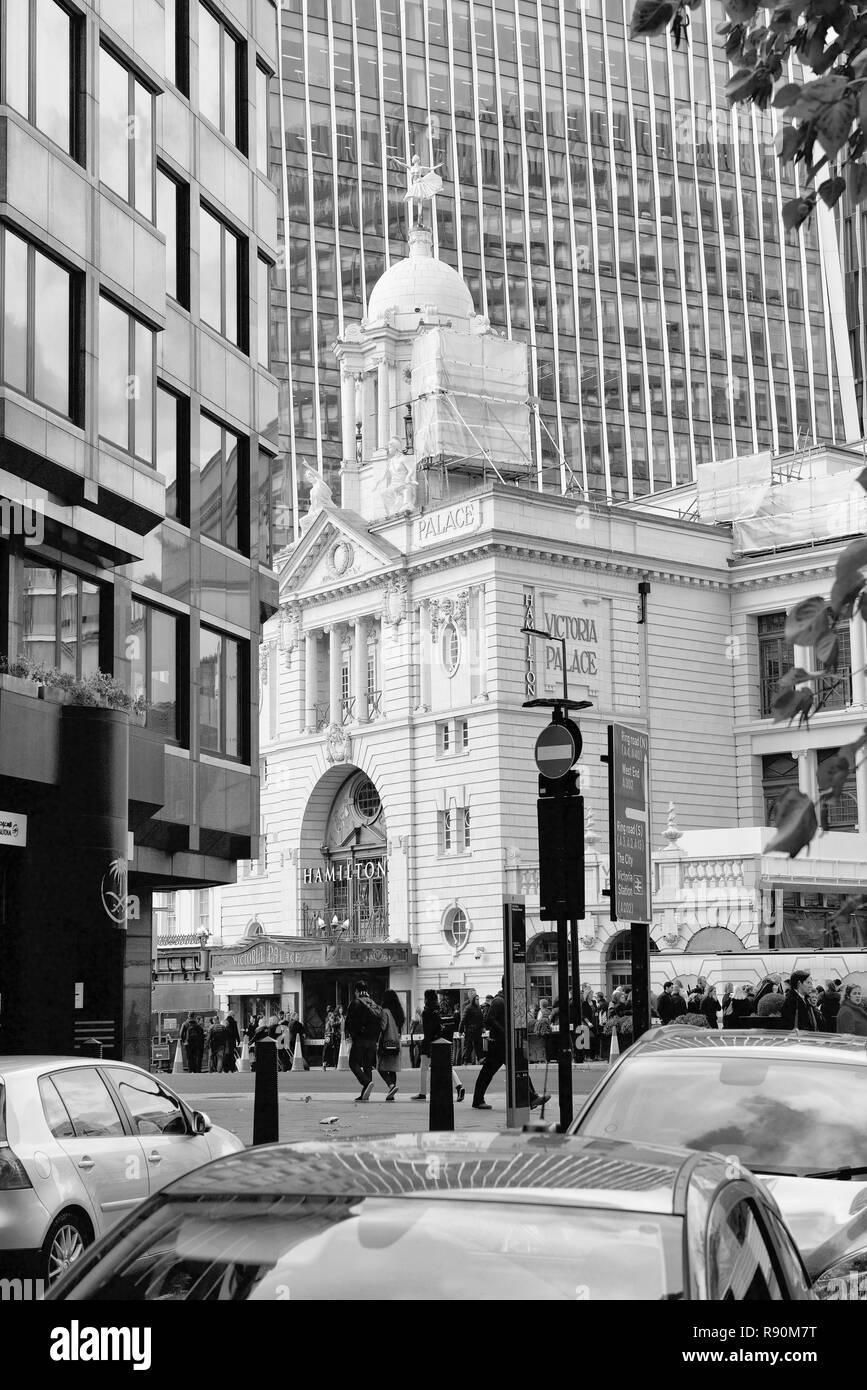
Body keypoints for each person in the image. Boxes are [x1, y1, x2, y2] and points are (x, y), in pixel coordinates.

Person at [473, 978, 549, 1111]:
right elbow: (489, 1019)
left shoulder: (508, 1000)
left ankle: (531, 1097)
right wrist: (505, 1032)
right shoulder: (498, 1001)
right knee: (489, 1072)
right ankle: (531, 1098)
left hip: (505, 1043)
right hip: (498, 1045)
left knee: (516, 1068)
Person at [411, 989, 465, 1103]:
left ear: (426, 998)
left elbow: (428, 1030)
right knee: (446, 1066)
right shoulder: (439, 1009)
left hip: (429, 1043)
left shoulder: (426, 1011)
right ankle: (459, 1085)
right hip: (441, 1041)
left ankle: (422, 1092)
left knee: (424, 1068)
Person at [345, 980, 384, 1102]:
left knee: (353, 1063)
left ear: (356, 991)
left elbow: (349, 1022)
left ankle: (366, 1083)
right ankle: (365, 1094)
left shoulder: (356, 1003)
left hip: (360, 1039)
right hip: (373, 1040)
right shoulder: (373, 1003)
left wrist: (353, 1035)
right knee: (367, 1065)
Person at [377, 989, 405, 1100]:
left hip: (386, 1043)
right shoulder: (399, 1012)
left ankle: (391, 1086)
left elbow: (382, 1028)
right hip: (396, 1043)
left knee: (380, 1067)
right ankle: (391, 1094)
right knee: (392, 1069)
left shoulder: (385, 1011)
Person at [460, 991, 484, 1064]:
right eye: (477, 999)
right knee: (468, 1047)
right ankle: (465, 1061)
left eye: (478, 999)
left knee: (478, 1046)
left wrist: (483, 1027)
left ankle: (480, 1059)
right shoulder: (468, 1007)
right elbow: (463, 1019)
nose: (478, 1001)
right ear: (473, 1000)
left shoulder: (478, 1008)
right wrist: (460, 1030)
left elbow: (481, 1019)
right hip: (469, 1030)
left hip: (477, 1030)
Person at [535, 998, 556, 1063]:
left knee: (542, 1044)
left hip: (542, 1030)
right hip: (548, 1030)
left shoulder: (541, 1012)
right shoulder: (549, 1011)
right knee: (548, 1044)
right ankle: (549, 1058)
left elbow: (538, 1020)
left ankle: (544, 1058)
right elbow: (551, 1020)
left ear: (541, 1005)